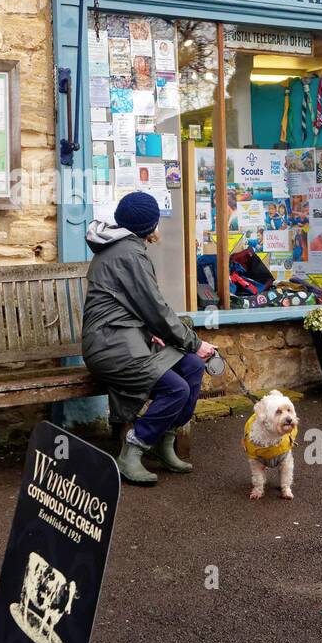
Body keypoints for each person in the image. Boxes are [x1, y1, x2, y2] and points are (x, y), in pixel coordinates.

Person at [82, 191, 216, 485]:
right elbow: (155, 308)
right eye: (156, 220)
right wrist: (194, 342)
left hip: (127, 339)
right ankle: (132, 451)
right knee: (176, 389)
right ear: (148, 225)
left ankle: (164, 443)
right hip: (110, 346)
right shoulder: (128, 253)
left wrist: (151, 333)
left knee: (192, 367)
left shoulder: (123, 247)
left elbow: (133, 306)